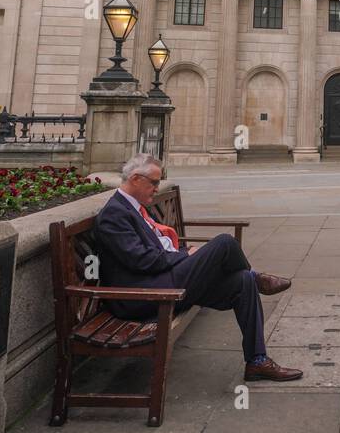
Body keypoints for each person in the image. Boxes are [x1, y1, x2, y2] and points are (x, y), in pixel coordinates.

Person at [92, 154, 302, 383]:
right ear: (134, 179)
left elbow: (161, 244)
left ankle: (257, 361)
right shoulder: (114, 214)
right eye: (153, 182)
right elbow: (142, 260)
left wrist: (185, 253)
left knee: (243, 282)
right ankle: (257, 276)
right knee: (224, 243)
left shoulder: (136, 207)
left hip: (162, 281)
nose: (157, 188)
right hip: (141, 295)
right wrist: (185, 255)